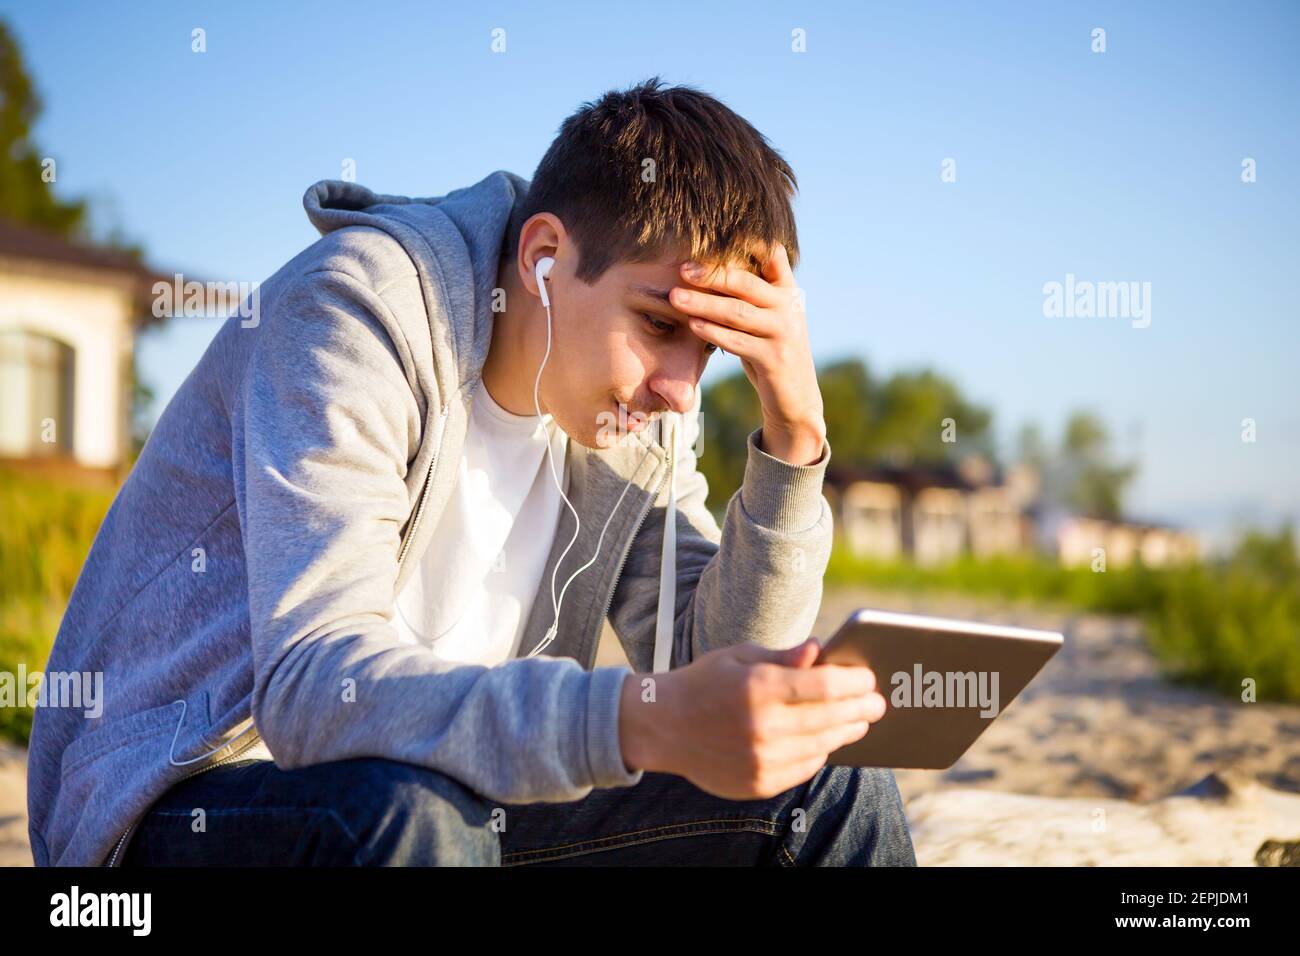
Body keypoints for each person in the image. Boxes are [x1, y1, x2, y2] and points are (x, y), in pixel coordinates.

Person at [27, 76, 915, 867]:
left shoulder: (633, 419)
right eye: (659, 324)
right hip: (178, 814)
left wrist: (794, 438)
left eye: (712, 349)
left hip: (460, 808)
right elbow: (310, 691)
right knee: (411, 815)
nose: (682, 391)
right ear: (542, 259)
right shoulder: (351, 313)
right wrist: (634, 716)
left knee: (826, 795)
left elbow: (719, 674)